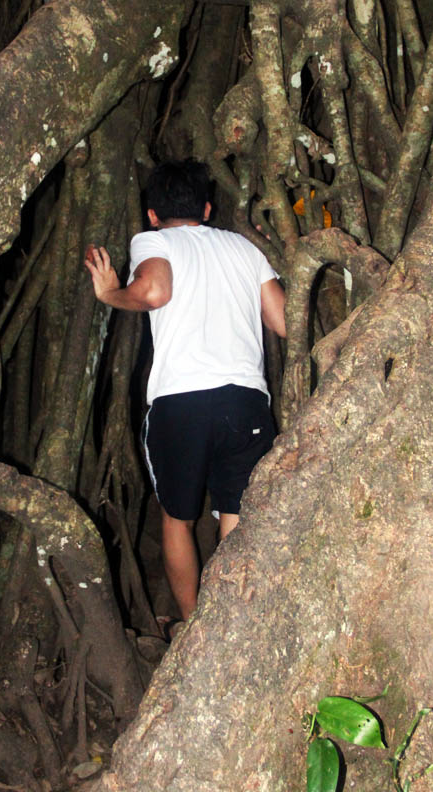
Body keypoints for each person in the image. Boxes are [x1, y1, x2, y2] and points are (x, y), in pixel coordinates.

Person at [84, 159, 285, 621]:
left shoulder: (153, 240)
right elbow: (283, 321)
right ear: (208, 209)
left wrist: (111, 294)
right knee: (238, 518)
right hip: (245, 402)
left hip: (181, 404)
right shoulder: (243, 248)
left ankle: (195, 626)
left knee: (178, 518)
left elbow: (154, 292)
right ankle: (232, 625)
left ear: (153, 214)